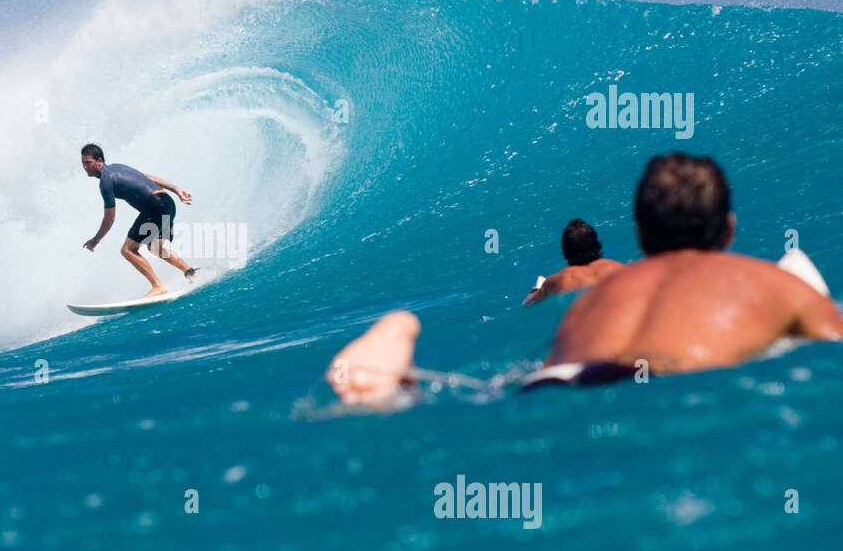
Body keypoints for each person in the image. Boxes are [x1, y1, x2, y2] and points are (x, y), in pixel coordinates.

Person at [327, 153, 843, 405]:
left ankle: (398, 331)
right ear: (729, 229)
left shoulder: (585, 300)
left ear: (641, 233)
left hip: (554, 384)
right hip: (672, 381)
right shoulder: (770, 284)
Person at [80, 143, 197, 297]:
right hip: (168, 202)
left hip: (155, 205)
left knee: (128, 250)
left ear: (99, 161)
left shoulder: (105, 181)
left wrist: (96, 240)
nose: (85, 167)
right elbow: (147, 177)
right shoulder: (117, 167)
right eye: (83, 163)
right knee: (156, 248)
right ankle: (191, 274)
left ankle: (158, 286)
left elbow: (110, 216)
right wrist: (176, 189)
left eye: (88, 162)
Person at [522, 219, 625, 305]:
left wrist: (537, 289)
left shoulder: (558, 280)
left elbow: (527, 302)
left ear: (565, 251)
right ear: (597, 245)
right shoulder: (619, 268)